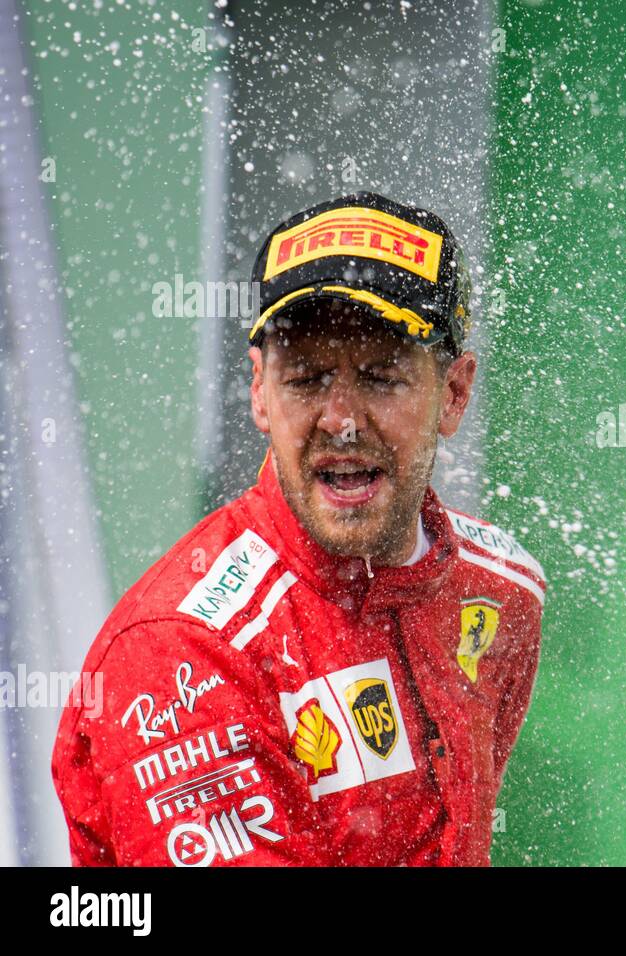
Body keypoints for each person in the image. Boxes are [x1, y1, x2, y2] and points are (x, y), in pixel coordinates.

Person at [52, 192, 546, 866]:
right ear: (259, 391)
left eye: (381, 377)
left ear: (454, 392)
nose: (340, 418)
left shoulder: (500, 590)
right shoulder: (183, 654)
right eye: (307, 378)